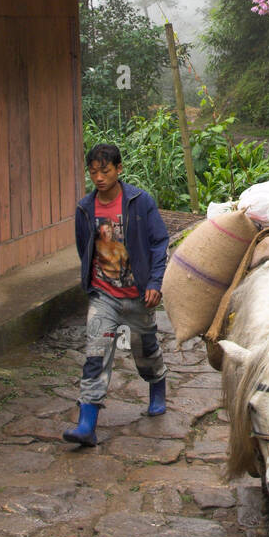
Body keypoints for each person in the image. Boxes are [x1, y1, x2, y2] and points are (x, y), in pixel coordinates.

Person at [63, 143, 169, 446]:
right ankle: (87, 424)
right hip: (103, 295)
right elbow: (84, 246)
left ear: (119, 169)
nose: (98, 177)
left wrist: (154, 283)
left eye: (105, 170)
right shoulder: (85, 208)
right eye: (93, 171)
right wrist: (92, 284)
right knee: (96, 354)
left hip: (138, 294)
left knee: (145, 350)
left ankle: (157, 385)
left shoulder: (139, 201)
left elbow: (159, 242)